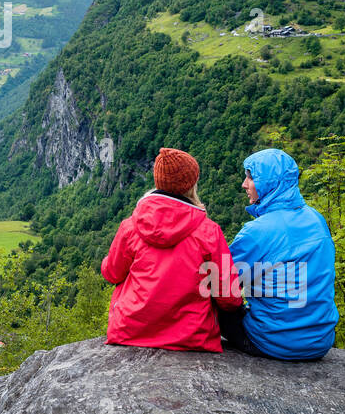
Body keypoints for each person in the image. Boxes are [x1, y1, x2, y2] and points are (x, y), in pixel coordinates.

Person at [102, 148, 243, 351]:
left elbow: (112, 274)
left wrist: (107, 260)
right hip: (191, 336)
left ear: (158, 181)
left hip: (131, 331)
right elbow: (229, 296)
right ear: (192, 183)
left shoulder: (130, 226)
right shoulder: (209, 231)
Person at [217, 148, 337, 361]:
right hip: (320, 341)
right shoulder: (317, 219)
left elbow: (222, 282)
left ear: (269, 183)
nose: (244, 184)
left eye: (250, 177)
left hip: (273, 342)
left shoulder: (258, 231)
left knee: (214, 298)